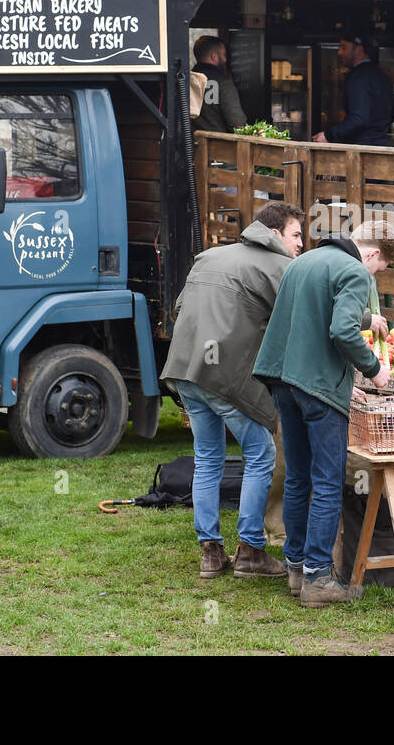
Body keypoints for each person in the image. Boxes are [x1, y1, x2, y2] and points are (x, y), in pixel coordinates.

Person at [253, 220, 394, 607]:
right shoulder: (354, 270)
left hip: (283, 379)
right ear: (370, 255)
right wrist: (374, 370)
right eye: (378, 270)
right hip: (317, 385)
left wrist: (369, 319)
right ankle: (320, 579)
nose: (373, 278)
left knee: (299, 478)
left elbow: (313, 312)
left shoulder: (306, 260)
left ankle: (296, 569)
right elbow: (342, 332)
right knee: (328, 481)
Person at [160, 201, 304, 579]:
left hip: (185, 369)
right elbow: (308, 314)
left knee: (208, 459)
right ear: (275, 234)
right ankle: (252, 551)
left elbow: (180, 309)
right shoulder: (279, 266)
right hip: (223, 375)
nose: (301, 244)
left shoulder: (208, 256)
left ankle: (210, 553)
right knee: (261, 454)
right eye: (296, 235)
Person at [312, 31, 394, 146]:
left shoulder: (358, 77)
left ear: (359, 49)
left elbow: (358, 120)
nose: (339, 52)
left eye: (344, 48)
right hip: (381, 146)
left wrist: (328, 135)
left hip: (362, 151)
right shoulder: (381, 75)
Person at [191, 35, 247, 134]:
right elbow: (237, 123)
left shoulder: (184, 81)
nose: (226, 59)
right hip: (218, 146)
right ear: (214, 56)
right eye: (224, 55)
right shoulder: (223, 82)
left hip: (187, 145)